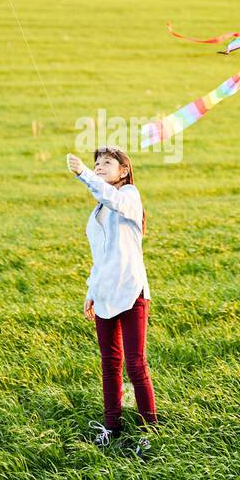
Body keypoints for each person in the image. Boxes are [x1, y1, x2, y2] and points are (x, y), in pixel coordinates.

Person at [66, 147, 155, 456]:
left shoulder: (128, 196)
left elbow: (111, 197)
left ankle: (149, 431)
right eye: (96, 163)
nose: (99, 166)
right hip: (105, 295)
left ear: (123, 171)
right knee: (110, 364)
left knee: (135, 364)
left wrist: (83, 174)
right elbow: (100, 257)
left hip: (131, 292)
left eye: (107, 163)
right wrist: (91, 289)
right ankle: (112, 427)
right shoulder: (97, 211)